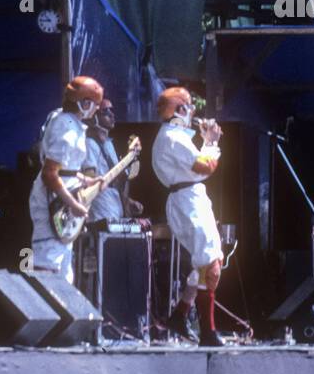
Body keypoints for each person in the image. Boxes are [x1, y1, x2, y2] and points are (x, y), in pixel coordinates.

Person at [151, 87, 225, 347]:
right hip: (187, 201)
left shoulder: (174, 136)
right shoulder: (173, 138)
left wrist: (206, 142)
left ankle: (180, 315)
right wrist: (212, 142)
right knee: (210, 265)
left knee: (210, 261)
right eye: (190, 106)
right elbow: (205, 167)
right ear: (180, 110)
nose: (193, 110)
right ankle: (208, 332)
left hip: (189, 197)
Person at [28, 76, 107, 283]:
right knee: (48, 263)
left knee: (63, 269)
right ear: (85, 103)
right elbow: (50, 174)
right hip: (53, 200)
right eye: (95, 104)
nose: (96, 109)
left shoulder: (64, 120)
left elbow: (65, 169)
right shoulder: (67, 129)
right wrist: (73, 204)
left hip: (61, 198)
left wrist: (83, 180)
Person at [85, 98, 144, 227]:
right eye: (105, 111)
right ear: (93, 117)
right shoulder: (90, 144)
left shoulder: (108, 145)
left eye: (112, 110)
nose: (111, 114)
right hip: (101, 206)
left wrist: (128, 201)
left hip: (115, 204)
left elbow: (115, 181)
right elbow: (89, 179)